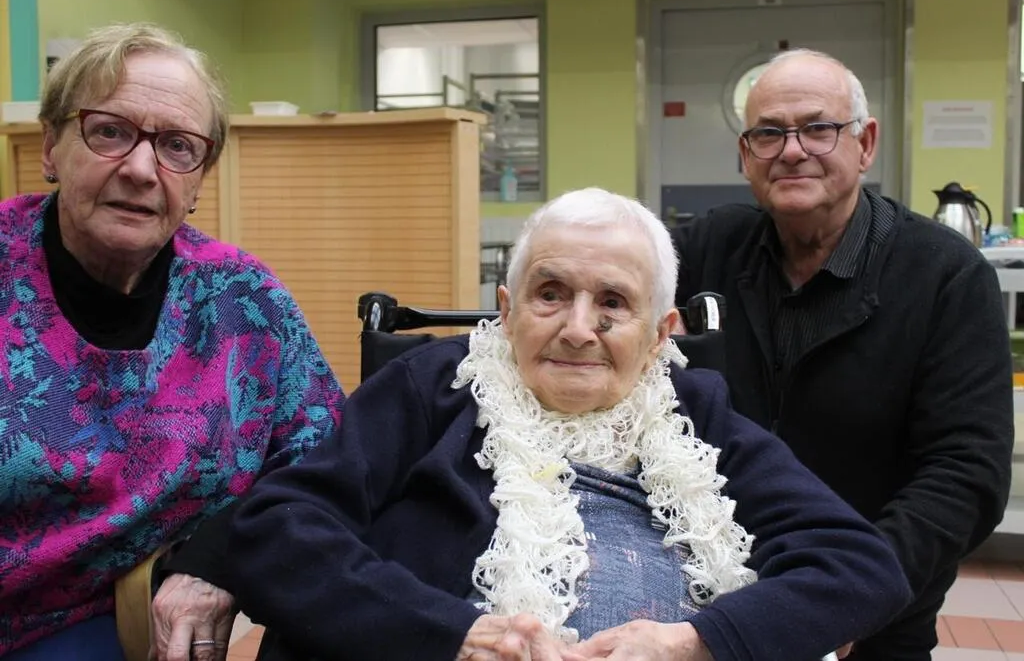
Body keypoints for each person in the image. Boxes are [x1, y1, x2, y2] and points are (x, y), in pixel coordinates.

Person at [224, 187, 912, 661]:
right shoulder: (433, 388)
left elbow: (860, 565)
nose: (578, 329)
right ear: (507, 309)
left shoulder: (695, 414)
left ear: (660, 335)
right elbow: (276, 529)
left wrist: (696, 643)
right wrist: (453, 635)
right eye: (550, 294)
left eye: (613, 303)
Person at [0, 24, 345, 660]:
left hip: (164, 626)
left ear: (200, 179)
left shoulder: (243, 299)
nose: (140, 169)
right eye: (109, 132)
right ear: (50, 147)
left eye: (177, 146)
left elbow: (329, 460)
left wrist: (216, 559)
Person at [672, 48, 1014, 660]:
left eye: (818, 128)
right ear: (746, 155)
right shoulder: (711, 248)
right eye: (768, 133)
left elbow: (966, 473)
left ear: (865, 143)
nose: (792, 150)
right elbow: (616, 271)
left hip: (873, 615)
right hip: (713, 601)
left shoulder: (945, 276)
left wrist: (848, 593)